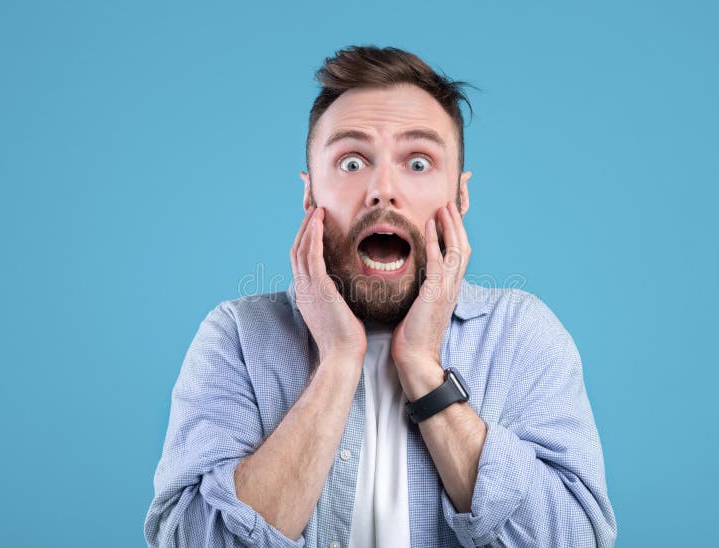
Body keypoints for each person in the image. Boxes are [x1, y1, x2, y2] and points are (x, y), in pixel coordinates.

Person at [144, 45, 617, 548]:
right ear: (310, 195)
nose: (382, 190)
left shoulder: (521, 333)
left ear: (460, 196)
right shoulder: (238, 336)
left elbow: (576, 539)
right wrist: (338, 363)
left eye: (418, 162)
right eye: (351, 162)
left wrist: (421, 366)